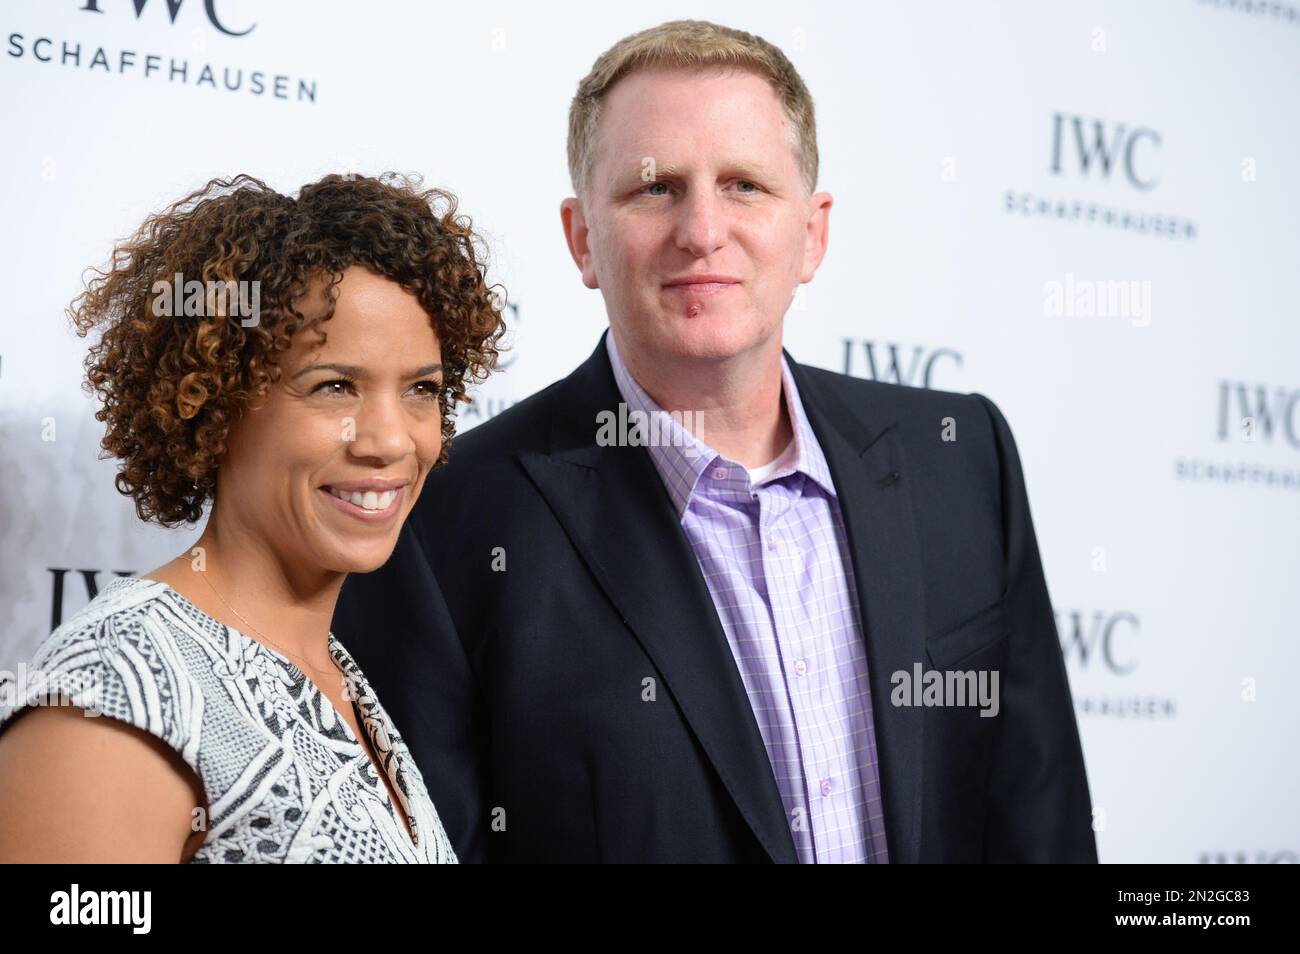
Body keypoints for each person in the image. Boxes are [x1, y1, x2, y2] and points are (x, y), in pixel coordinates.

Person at [334, 20, 1098, 862]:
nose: (702, 230)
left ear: (813, 232)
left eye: (744, 185)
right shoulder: (448, 522)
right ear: (583, 238)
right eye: (655, 189)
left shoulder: (962, 458)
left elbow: (1042, 818)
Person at [0, 173, 506, 863]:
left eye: (421, 389)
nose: (391, 440)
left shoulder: (337, 675)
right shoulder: (115, 686)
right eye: (334, 386)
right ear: (215, 401)